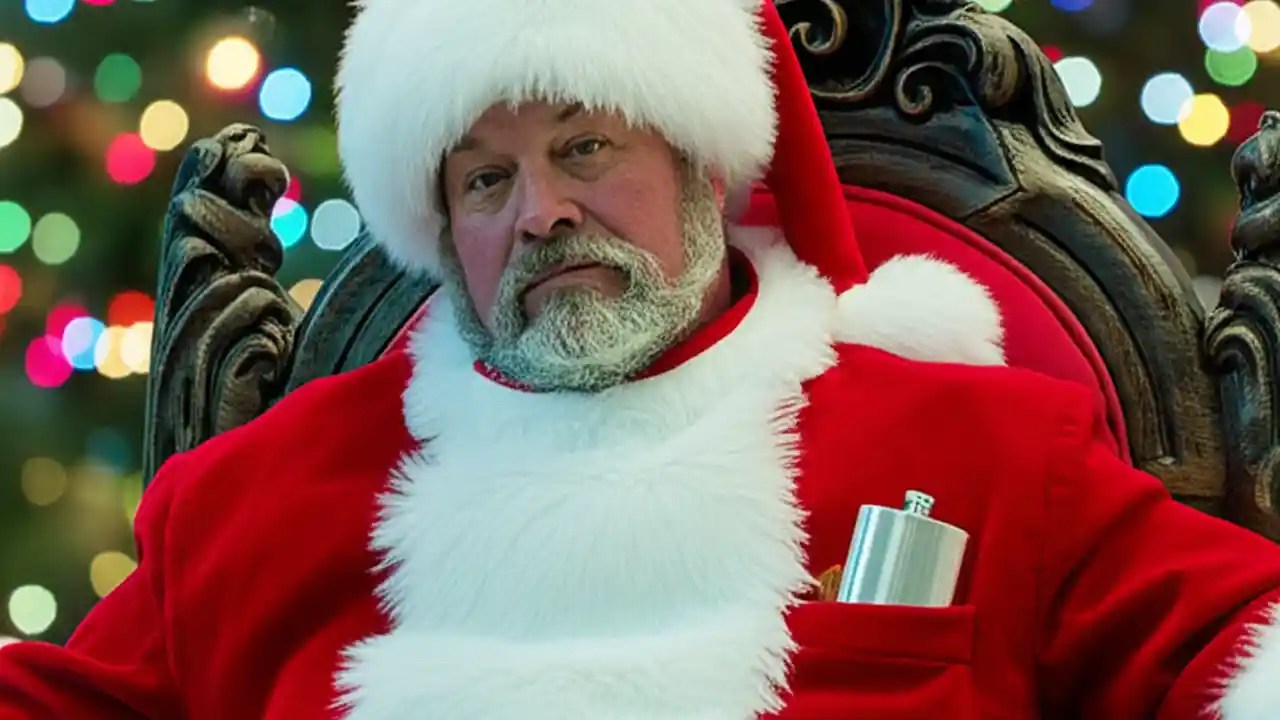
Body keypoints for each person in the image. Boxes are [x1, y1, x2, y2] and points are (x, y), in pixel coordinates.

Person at [3, 0, 1280, 717]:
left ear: (704, 166)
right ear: (444, 235)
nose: (540, 212)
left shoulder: (976, 451)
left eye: (585, 149)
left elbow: (1236, 642)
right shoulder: (253, 508)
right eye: (485, 179)